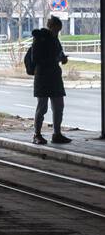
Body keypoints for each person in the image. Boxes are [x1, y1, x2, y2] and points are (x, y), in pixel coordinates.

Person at [29, 15, 71, 145]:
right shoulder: (40, 38)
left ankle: (56, 134)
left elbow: (58, 54)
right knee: (42, 107)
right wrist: (55, 59)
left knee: (58, 106)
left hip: (54, 77)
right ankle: (37, 134)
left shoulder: (55, 40)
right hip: (42, 76)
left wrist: (62, 59)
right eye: (56, 29)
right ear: (51, 26)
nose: (57, 32)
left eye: (59, 30)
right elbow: (35, 58)